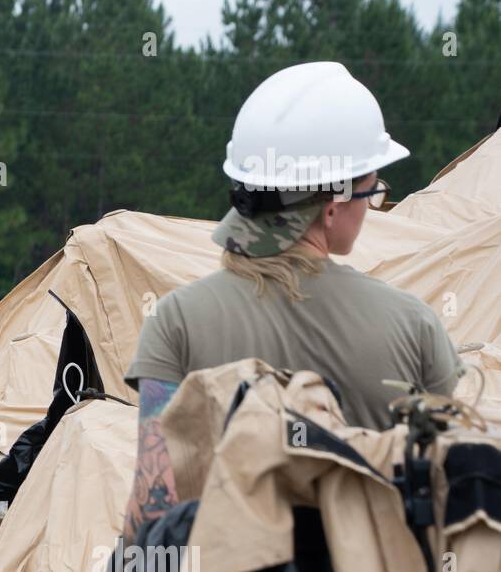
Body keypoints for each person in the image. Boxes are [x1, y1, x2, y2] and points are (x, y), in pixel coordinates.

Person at [122, 61, 465, 541]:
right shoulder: (415, 325)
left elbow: (151, 508)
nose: (372, 205)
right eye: (371, 191)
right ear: (330, 208)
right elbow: (449, 499)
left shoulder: (176, 321)